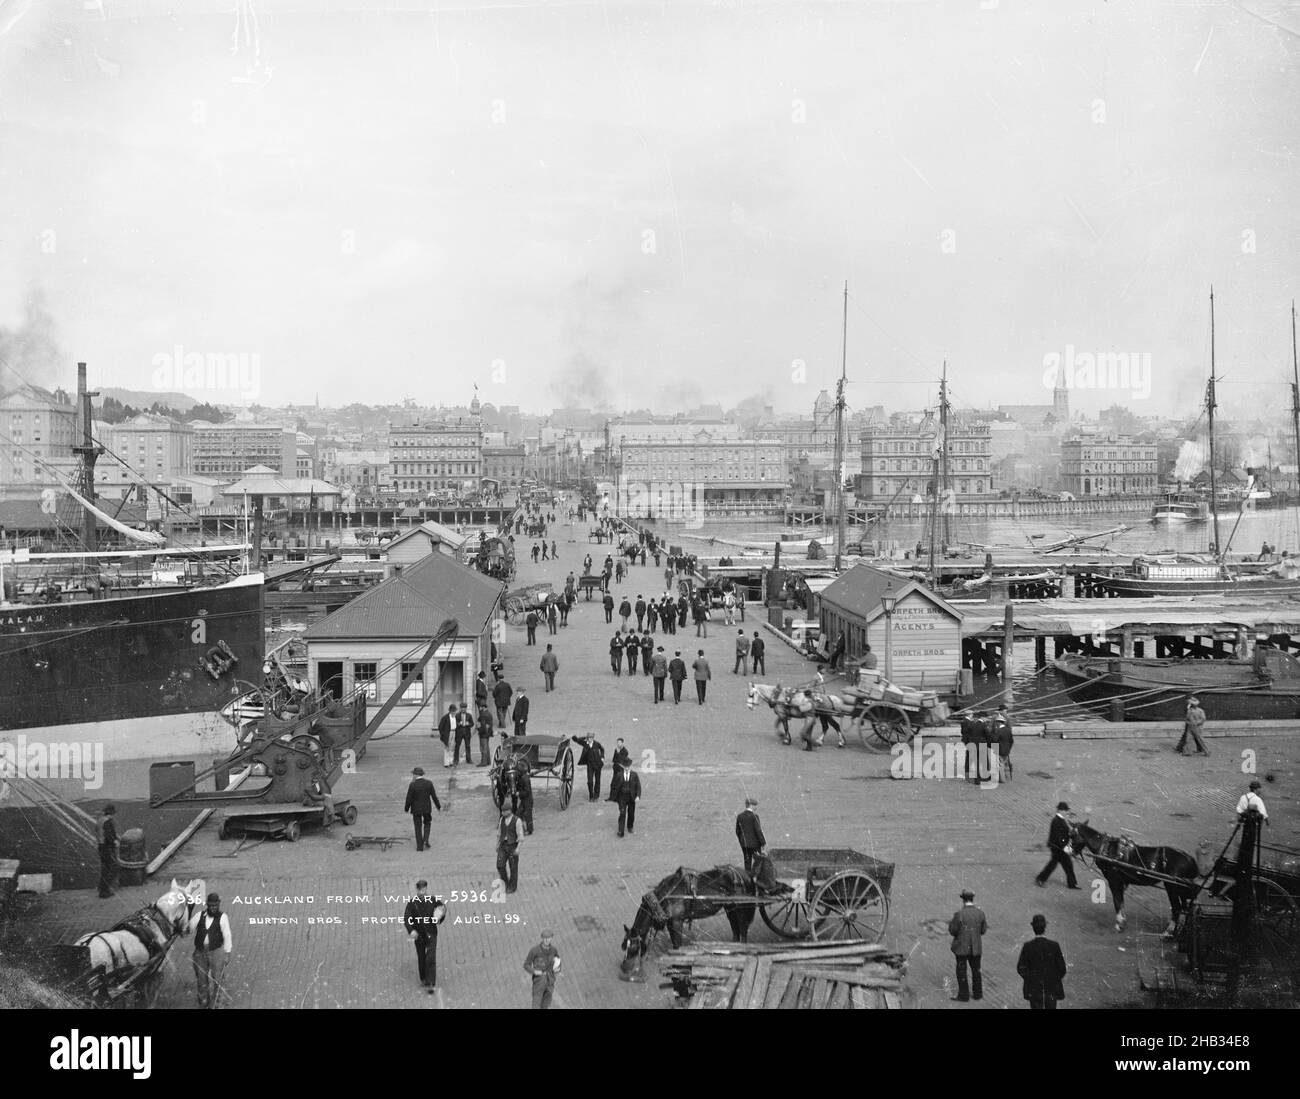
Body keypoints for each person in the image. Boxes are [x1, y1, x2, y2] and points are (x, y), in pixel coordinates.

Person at [403, 880, 446, 994]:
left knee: (430, 957)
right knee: (422, 957)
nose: (423, 892)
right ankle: (423, 978)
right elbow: (406, 918)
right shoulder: (412, 903)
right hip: (419, 935)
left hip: (431, 933)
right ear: (417, 890)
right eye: (421, 890)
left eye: (424, 889)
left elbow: (442, 907)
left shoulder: (432, 900)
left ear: (426, 889)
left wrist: (440, 915)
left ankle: (430, 983)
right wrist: (411, 930)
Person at [1016, 914, 1067, 1010]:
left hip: (1034, 989)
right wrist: (1053, 979)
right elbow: (1062, 969)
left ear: (1033, 928)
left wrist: (1031, 979)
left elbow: (1020, 968)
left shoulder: (1028, 946)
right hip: (1051, 989)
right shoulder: (1054, 946)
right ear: (1045, 928)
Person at [192, 892, 233, 1008]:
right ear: (207, 905)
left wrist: (227, 953)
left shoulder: (223, 917)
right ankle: (204, 1003)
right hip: (200, 952)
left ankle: (218, 1004)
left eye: (215, 905)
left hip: (216, 951)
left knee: (218, 979)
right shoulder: (199, 915)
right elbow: (189, 927)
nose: (213, 908)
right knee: (201, 979)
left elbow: (227, 935)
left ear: (218, 905)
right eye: (211, 905)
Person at [948, 889, 987, 1002]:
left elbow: (953, 930)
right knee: (976, 970)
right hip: (976, 947)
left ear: (963, 900)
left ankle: (964, 995)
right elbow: (983, 930)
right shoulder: (980, 913)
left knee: (961, 970)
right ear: (972, 899)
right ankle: (978, 993)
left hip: (962, 947)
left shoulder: (960, 914)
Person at [1035, 802, 1080, 889]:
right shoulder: (1057, 821)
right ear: (1060, 810)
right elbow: (1059, 837)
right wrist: (1065, 847)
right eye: (1065, 810)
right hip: (1057, 847)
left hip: (1058, 847)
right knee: (1055, 864)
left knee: (1065, 864)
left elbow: (1063, 834)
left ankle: (1072, 883)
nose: (1067, 812)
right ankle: (1040, 879)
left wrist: (1071, 833)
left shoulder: (1060, 820)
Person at [404, 766, 443, 851]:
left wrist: (406, 808)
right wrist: (438, 806)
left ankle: (419, 847)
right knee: (427, 823)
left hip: (416, 809)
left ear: (415, 775)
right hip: (426, 808)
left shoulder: (412, 785)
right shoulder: (429, 783)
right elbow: (434, 796)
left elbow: (409, 798)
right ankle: (425, 839)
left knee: (417, 826)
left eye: (413, 774)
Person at [523, 930, 561, 1009]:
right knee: (536, 1004)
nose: (547, 940)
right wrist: (534, 971)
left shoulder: (554, 950)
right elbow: (526, 965)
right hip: (539, 981)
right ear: (542, 938)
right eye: (545, 938)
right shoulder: (534, 950)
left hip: (550, 981)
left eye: (549, 938)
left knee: (546, 1004)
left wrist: (558, 970)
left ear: (551, 938)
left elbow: (557, 960)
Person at [735, 797, 766, 873]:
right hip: (755, 844)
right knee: (758, 862)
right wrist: (763, 842)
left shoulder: (740, 816)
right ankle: (757, 880)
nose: (756, 807)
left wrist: (742, 841)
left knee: (747, 863)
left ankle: (748, 879)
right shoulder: (755, 816)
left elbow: (737, 831)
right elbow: (758, 831)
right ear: (751, 805)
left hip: (744, 844)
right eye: (755, 805)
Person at [97, 804, 119, 898]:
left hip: (101, 847)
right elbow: (108, 835)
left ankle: (101, 887)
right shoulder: (108, 822)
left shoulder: (100, 820)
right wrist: (115, 842)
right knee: (113, 868)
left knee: (105, 868)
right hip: (107, 847)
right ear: (110, 814)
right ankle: (104, 891)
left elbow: (99, 832)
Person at [616, 761, 641, 837]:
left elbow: (638, 786)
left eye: (628, 767)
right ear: (623, 767)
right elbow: (615, 787)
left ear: (630, 767)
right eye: (625, 767)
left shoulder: (634, 775)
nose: (627, 768)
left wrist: (638, 796)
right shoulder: (619, 775)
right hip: (622, 798)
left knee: (631, 813)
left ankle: (630, 827)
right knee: (622, 813)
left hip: (631, 797)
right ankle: (621, 831)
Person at [578, 733, 605, 801]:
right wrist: (584, 737)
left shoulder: (597, 744)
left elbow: (602, 749)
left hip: (598, 764)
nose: (590, 739)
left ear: (593, 738)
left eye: (591, 738)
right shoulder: (585, 744)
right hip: (589, 765)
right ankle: (591, 796)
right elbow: (577, 740)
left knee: (597, 781)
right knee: (590, 781)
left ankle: (596, 796)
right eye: (588, 738)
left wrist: (602, 757)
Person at [993, 703, 1014, 782]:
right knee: (1003, 757)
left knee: (1001, 759)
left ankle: (1003, 775)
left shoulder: (1004, 717)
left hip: (1001, 738)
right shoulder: (999, 716)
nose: (1004, 712)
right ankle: (1006, 770)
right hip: (1005, 739)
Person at [436, 704, 456, 768]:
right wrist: (443, 734)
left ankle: (451, 762)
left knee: (452, 748)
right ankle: (446, 763)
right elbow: (440, 727)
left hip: (454, 732)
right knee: (447, 748)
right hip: (448, 733)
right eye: (452, 711)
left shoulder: (456, 717)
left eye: (454, 711)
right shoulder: (445, 717)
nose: (454, 712)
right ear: (450, 711)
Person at [516, 768, 535, 835]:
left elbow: (527, 792)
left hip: (528, 800)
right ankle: (523, 829)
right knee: (518, 814)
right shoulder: (523, 778)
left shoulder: (525, 779)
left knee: (527, 815)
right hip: (524, 800)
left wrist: (519, 793)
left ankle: (530, 830)